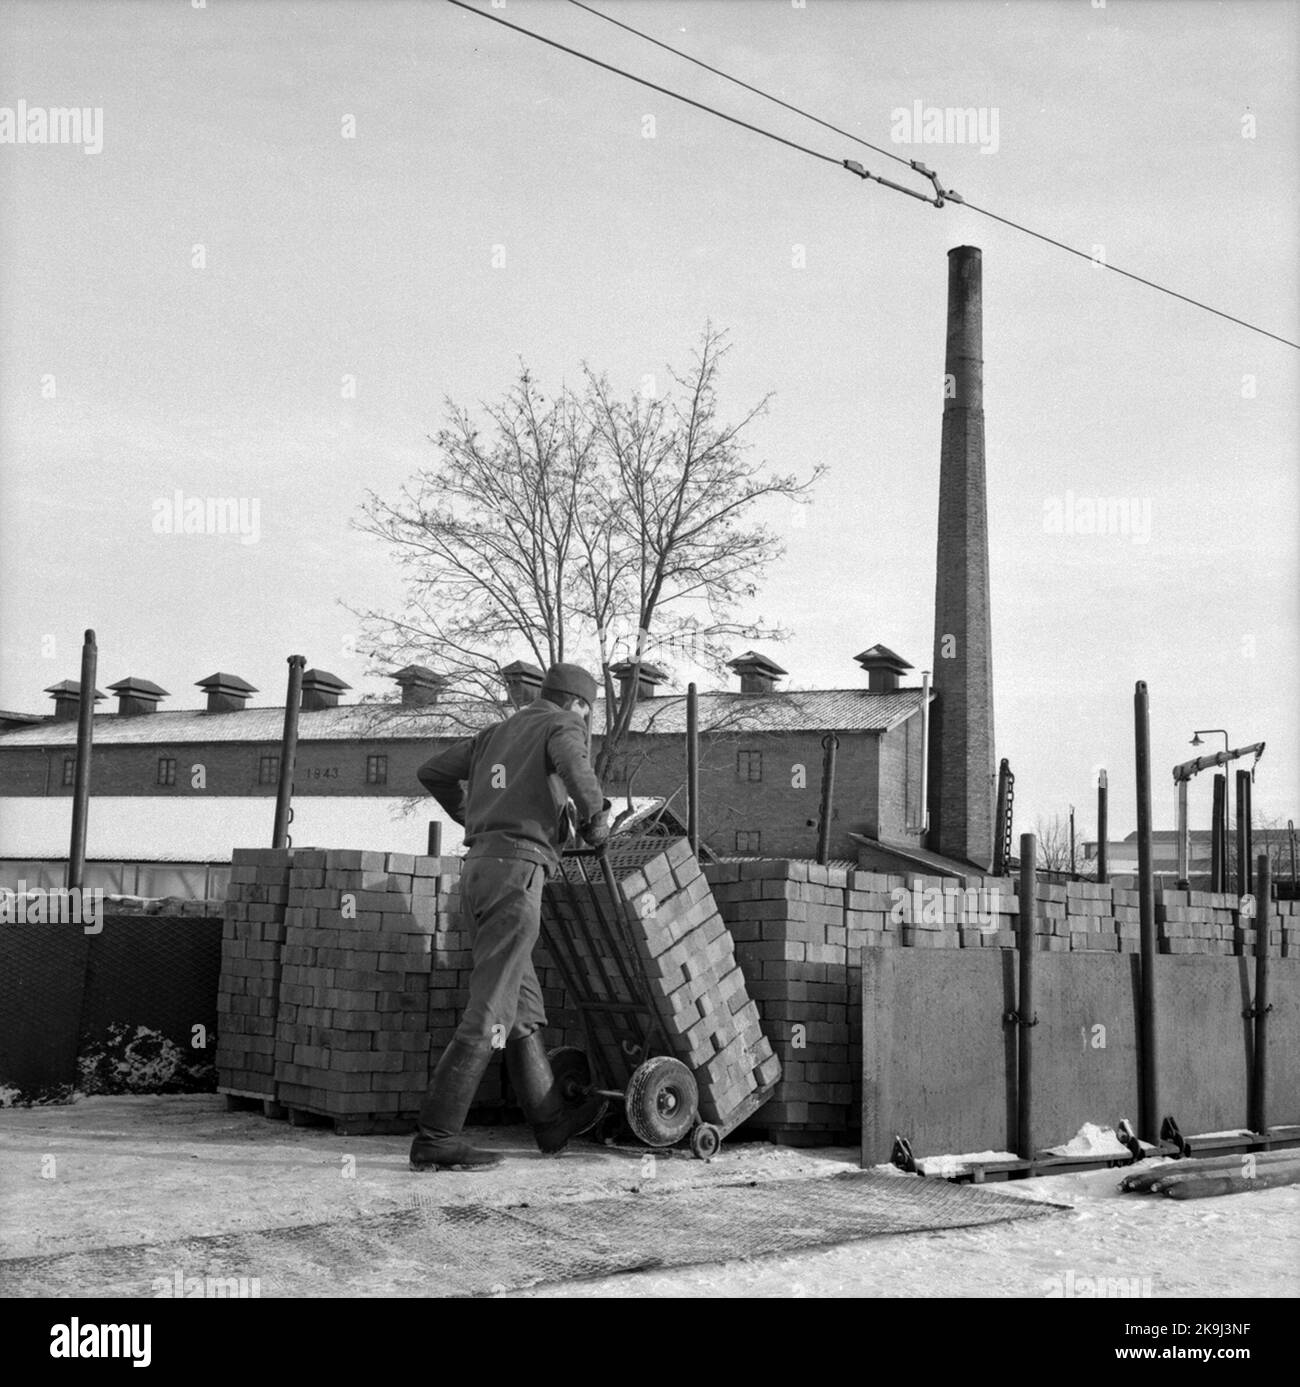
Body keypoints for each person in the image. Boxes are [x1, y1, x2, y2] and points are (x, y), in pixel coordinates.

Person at [409, 661, 612, 1171]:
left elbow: (431, 771)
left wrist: (475, 816)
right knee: (491, 1008)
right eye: (588, 712)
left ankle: (550, 1125)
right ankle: (436, 1137)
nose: (586, 722)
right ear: (579, 704)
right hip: (517, 872)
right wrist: (594, 819)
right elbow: (575, 767)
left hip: (478, 869)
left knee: (519, 1006)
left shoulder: (494, 733)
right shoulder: (561, 725)